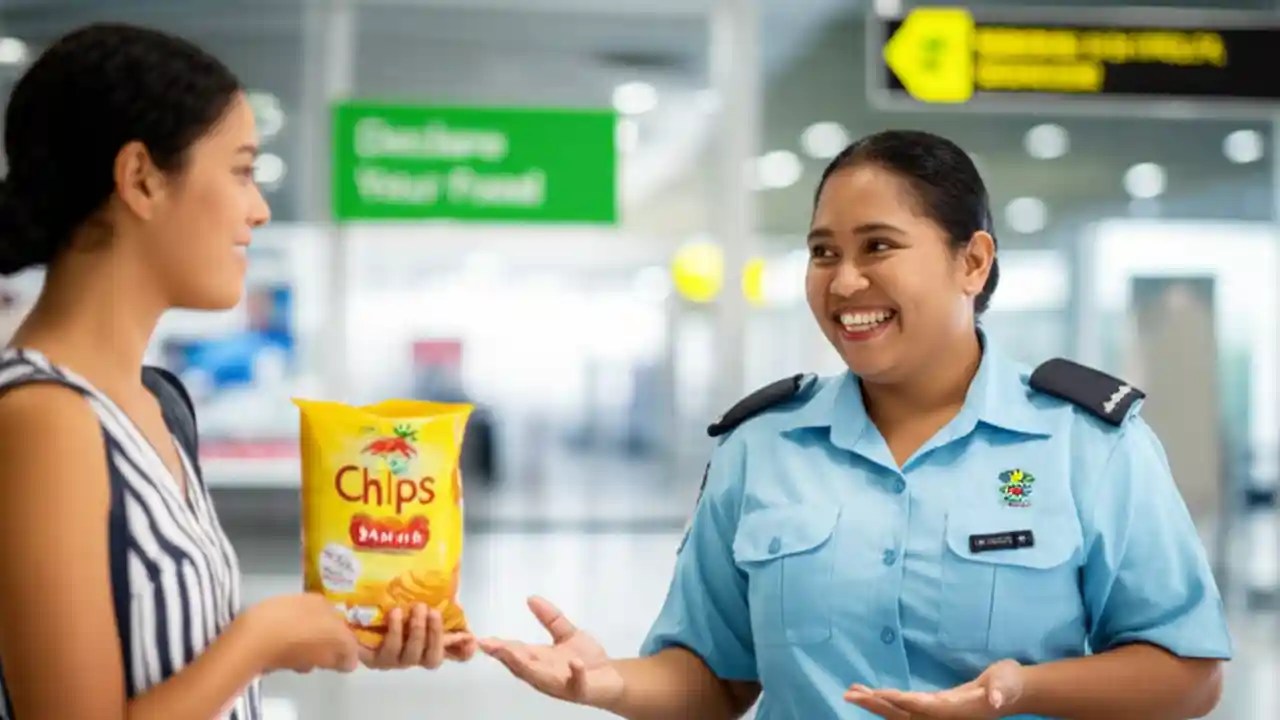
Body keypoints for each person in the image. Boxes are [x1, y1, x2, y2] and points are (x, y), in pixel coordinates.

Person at [478, 129, 1232, 719]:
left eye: (878, 246)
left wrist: (1024, 690)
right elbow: (712, 678)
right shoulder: (762, 447)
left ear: (972, 262)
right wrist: (609, 684)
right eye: (821, 252)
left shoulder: (1088, 446)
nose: (843, 282)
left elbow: (1188, 673)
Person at [0, 24, 470, 720]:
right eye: (242, 170)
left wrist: (338, 629)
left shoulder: (150, 404)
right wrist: (261, 639)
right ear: (141, 178)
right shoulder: (43, 420)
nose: (260, 208)